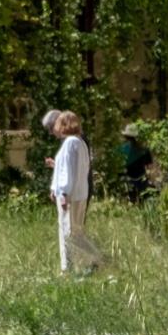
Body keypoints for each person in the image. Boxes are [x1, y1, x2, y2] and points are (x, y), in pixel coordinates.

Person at [49, 109, 102, 275]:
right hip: (80, 194)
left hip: (70, 196)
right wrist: (55, 186)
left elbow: (67, 172)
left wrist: (62, 192)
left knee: (67, 232)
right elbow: (76, 169)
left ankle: (69, 268)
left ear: (63, 125)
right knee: (76, 232)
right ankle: (93, 258)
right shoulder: (80, 142)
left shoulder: (70, 143)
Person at [119, 129, 156, 202]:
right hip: (142, 178)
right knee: (144, 201)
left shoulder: (122, 150)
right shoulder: (144, 150)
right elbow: (150, 167)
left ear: (125, 137)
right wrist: (151, 179)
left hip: (128, 179)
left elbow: (119, 167)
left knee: (131, 201)